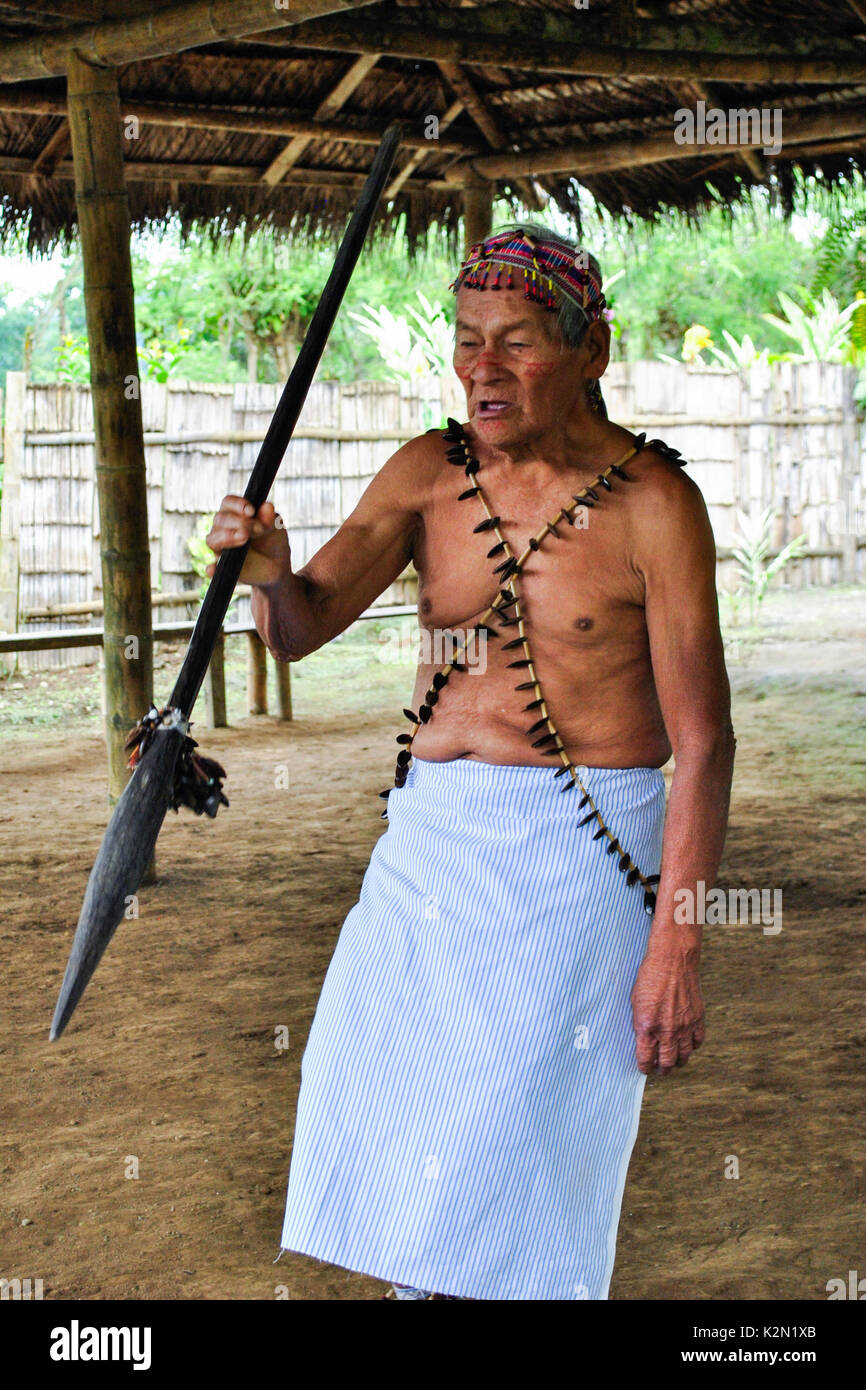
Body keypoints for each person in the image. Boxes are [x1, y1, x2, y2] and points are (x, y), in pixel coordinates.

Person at [205, 222, 735, 1301]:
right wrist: (267, 570)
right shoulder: (425, 474)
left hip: (580, 858)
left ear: (591, 349)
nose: (481, 367)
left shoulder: (653, 504)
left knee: (517, 1138)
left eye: (517, 340)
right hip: (431, 847)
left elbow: (704, 740)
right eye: (465, 340)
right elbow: (299, 624)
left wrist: (673, 947)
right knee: (390, 1099)